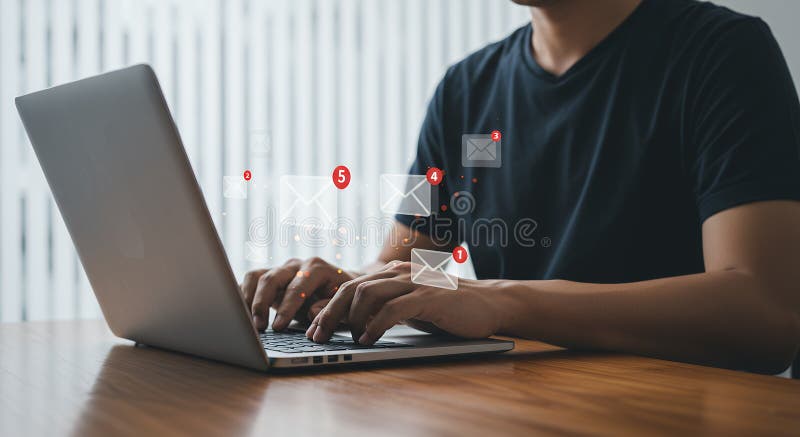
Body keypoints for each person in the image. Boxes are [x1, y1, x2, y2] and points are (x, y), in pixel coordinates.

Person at [241, 0, 800, 374]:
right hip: (527, 401)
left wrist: (502, 301)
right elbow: (412, 265)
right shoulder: (464, 90)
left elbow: (764, 311)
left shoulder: (725, 54)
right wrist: (338, 287)